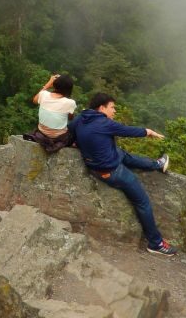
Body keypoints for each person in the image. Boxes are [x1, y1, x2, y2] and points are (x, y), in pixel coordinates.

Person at [68, 92, 177, 257]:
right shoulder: (104, 123)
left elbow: (70, 132)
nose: (114, 111)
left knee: (122, 154)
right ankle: (156, 243)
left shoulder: (81, 118)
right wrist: (149, 131)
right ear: (102, 107)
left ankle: (157, 164)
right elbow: (128, 131)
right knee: (143, 202)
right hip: (111, 171)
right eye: (112, 107)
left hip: (96, 165)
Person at [25, 73, 76, 152]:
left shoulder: (43, 94)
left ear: (54, 84)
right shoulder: (70, 103)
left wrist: (48, 83)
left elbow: (34, 100)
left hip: (42, 133)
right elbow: (71, 118)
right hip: (59, 137)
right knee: (73, 130)